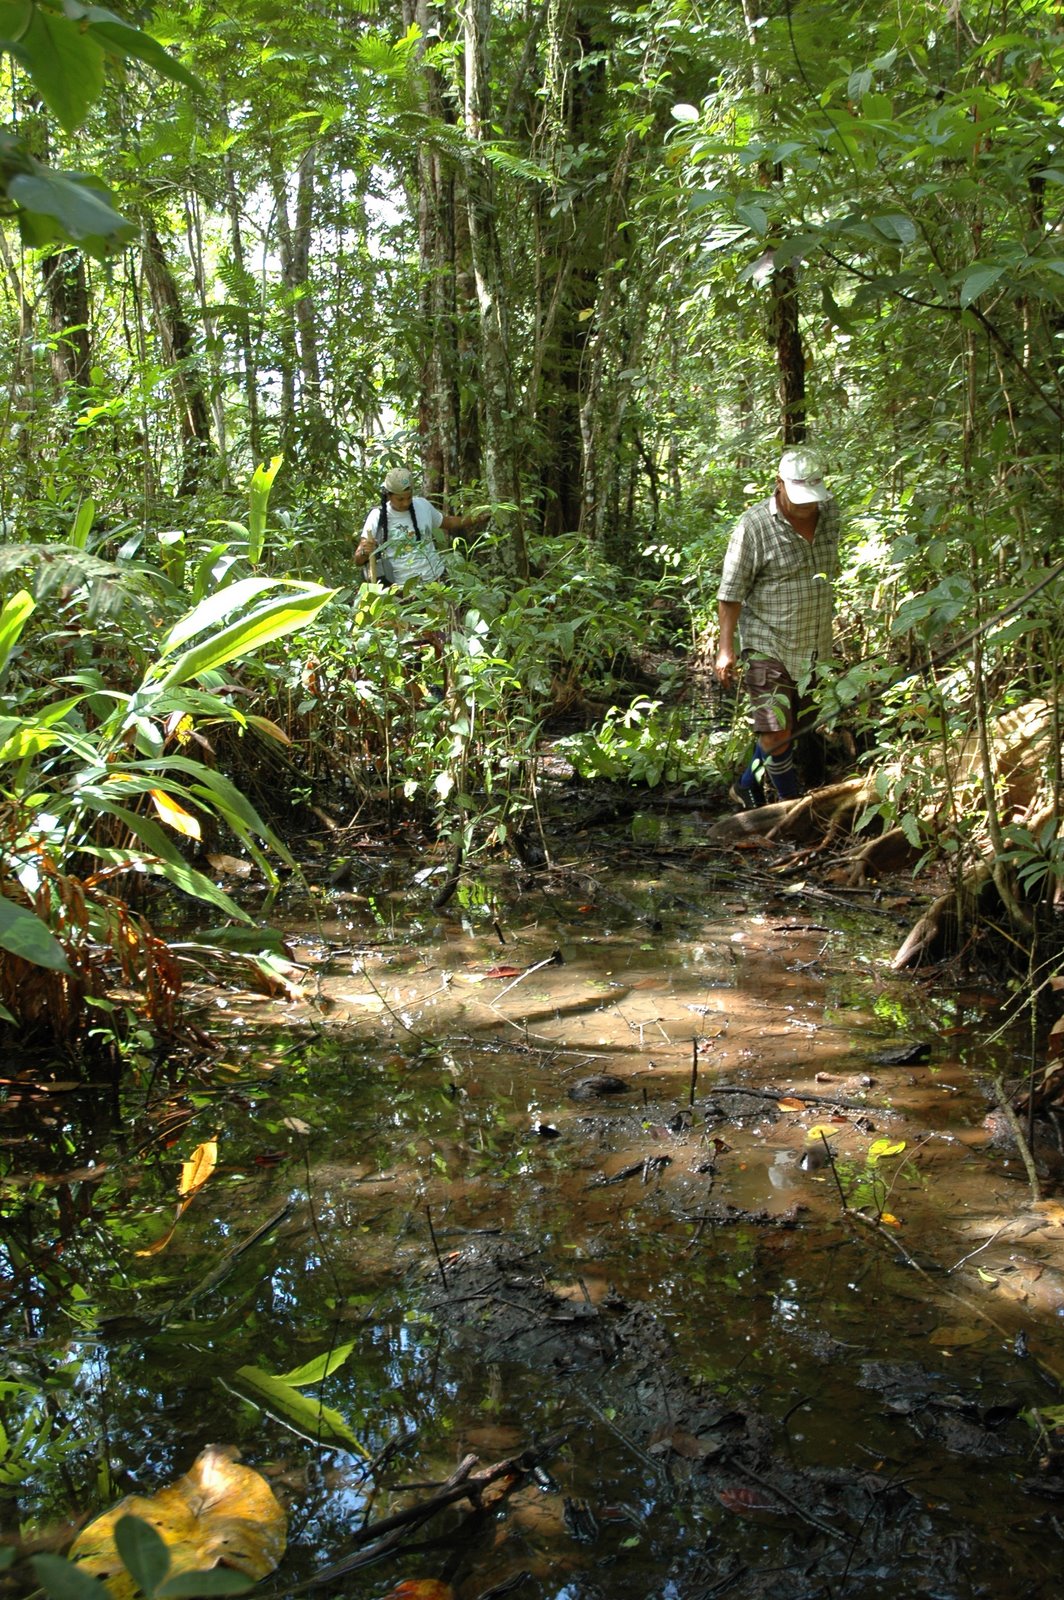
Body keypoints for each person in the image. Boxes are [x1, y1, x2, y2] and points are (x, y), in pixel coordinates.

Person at [715, 447, 840, 807]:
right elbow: (731, 592)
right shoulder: (754, 526)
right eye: (798, 498)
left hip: (815, 643)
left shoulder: (831, 514)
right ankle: (793, 809)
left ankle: (745, 785)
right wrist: (726, 648)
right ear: (779, 485)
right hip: (767, 641)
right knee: (776, 732)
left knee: (789, 730)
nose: (806, 507)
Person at [354, 465, 484, 588]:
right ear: (388, 495)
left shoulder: (422, 505)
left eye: (409, 497)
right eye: (400, 499)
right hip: (402, 588)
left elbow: (448, 522)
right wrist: (365, 551)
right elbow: (358, 560)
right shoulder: (377, 516)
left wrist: (477, 517)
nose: (405, 503)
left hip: (436, 580)